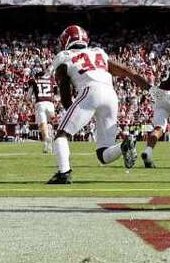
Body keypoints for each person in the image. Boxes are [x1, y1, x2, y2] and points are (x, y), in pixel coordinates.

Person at [46, 25, 149, 185]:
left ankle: (64, 173)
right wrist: (149, 88)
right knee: (103, 154)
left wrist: (70, 109)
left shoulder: (64, 56)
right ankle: (124, 145)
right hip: (111, 95)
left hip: (90, 91)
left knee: (61, 135)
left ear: (66, 40)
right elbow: (126, 70)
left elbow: (64, 86)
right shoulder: (98, 52)